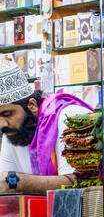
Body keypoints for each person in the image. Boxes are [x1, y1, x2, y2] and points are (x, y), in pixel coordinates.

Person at [0, 63, 91, 195]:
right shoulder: (13, 132)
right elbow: (4, 187)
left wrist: (18, 182)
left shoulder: (69, 116)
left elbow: (78, 182)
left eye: (7, 114)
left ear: (31, 105)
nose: (2, 124)